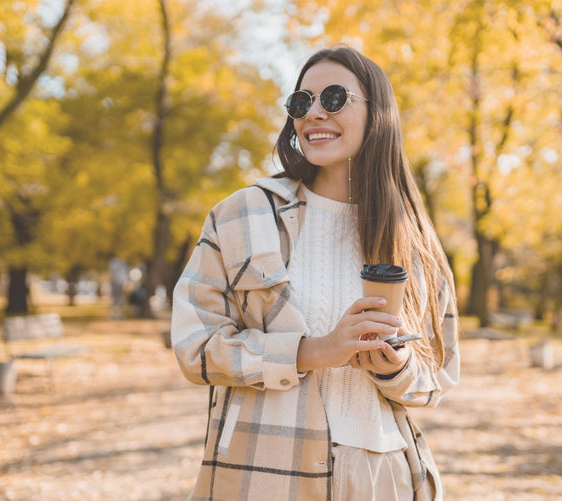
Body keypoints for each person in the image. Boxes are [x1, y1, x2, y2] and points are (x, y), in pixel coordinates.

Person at [170, 45, 459, 500]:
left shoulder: (414, 239)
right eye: (302, 103)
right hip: (263, 469)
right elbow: (196, 347)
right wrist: (311, 352)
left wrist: (396, 367)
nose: (314, 114)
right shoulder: (242, 215)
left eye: (335, 98)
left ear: (377, 113)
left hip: (382, 476)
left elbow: (437, 379)